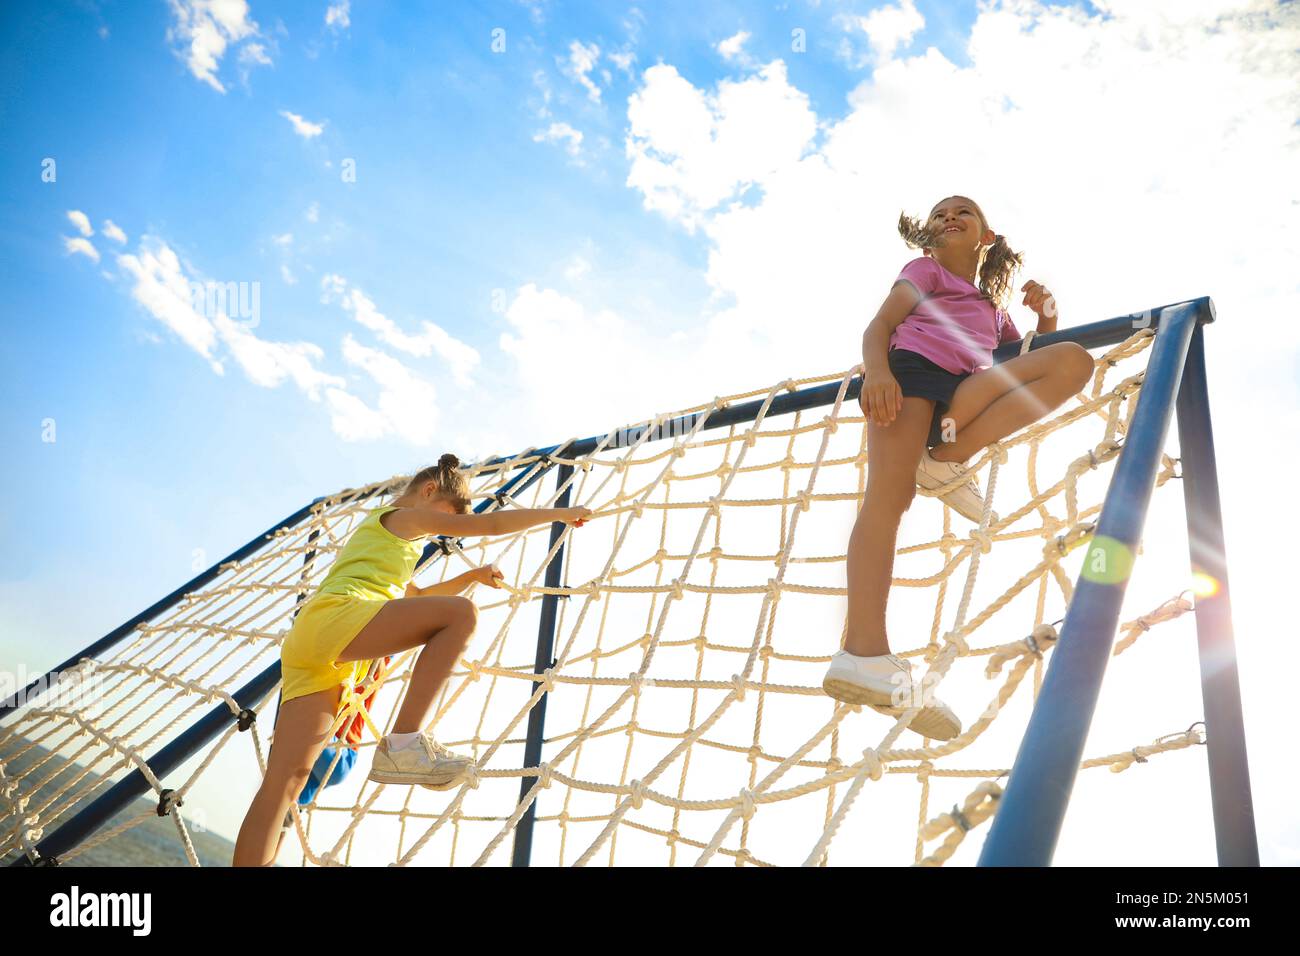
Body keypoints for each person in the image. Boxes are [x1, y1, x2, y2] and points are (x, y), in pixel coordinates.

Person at [822, 195, 1094, 740]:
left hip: (965, 398)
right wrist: (877, 372)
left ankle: (945, 458)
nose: (949, 217)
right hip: (911, 377)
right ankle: (864, 652)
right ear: (928, 236)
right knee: (889, 499)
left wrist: (1048, 318)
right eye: (940, 214)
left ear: (986, 237)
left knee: (1072, 360)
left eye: (962, 212)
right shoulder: (925, 271)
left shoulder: (993, 311)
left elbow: (1022, 365)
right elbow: (880, 326)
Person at [233, 453, 591, 866]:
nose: (443, 528)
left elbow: (417, 598)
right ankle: (402, 743)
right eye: (446, 516)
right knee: (462, 616)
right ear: (427, 492)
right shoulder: (406, 517)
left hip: (314, 645)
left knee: (283, 789)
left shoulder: (386, 542)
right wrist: (561, 513)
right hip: (336, 621)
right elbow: (487, 525)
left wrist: (471, 577)